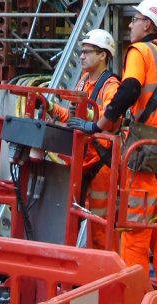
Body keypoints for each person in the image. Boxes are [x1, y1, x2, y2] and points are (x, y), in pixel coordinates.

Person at [68, 0, 157, 288]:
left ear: (149, 25)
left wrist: (97, 126)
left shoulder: (140, 52)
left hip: (143, 153)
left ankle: (134, 295)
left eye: (135, 20)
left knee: (135, 231)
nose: (130, 25)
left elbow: (130, 89)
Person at [46, 28, 120, 249]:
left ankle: (104, 266)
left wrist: (86, 114)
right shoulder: (83, 81)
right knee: (70, 221)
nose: (81, 56)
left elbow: (111, 119)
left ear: (103, 55)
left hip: (100, 163)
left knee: (100, 227)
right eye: (81, 52)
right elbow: (73, 118)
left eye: (87, 52)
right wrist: (50, 108)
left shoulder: (111, 86)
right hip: (81, 160)